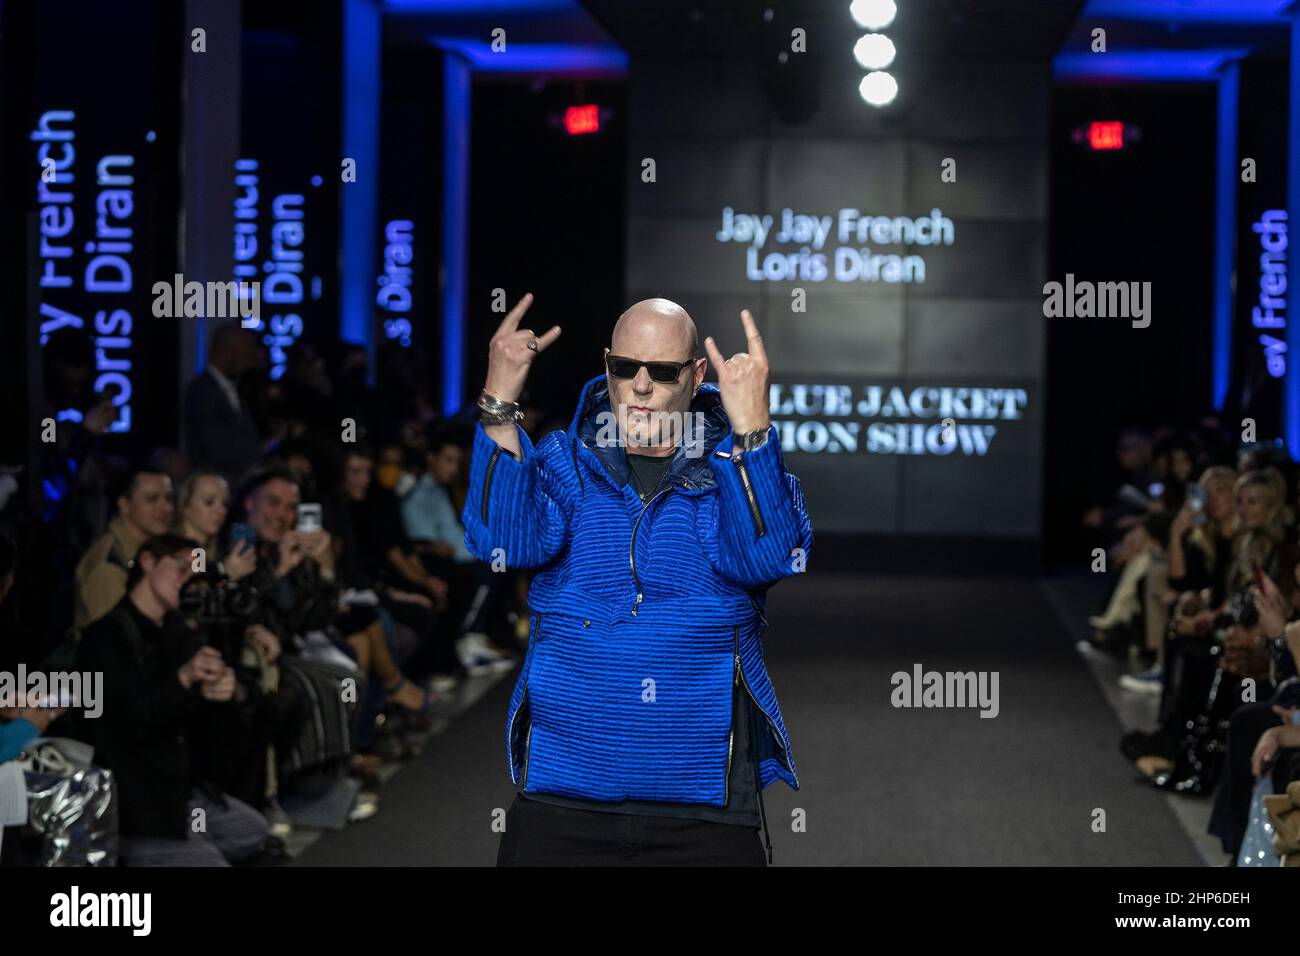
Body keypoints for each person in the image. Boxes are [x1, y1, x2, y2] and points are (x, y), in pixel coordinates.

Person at [467, 295, 813, 866]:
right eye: (626, 368)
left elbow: (771, 557)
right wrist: (501, 401)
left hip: (704, 804)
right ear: (608, 367)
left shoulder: (732, 468)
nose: (641, 386)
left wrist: (752, 429)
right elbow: (502, 543)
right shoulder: (563, 463)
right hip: (563, 793)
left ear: (697, 375)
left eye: (663, 371)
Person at [72, 534, 271, 866]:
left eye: (194, 574)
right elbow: (122, 727)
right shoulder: (106, 638)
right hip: (132, 803)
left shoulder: (176, 629)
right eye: (180, 568)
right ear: (148, 562)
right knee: (211, 862)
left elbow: (203, 719)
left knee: (251, 831)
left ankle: (191, 839)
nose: (187, 581)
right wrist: (183, 680)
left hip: (177, 791)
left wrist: (221, 691)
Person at [74, 467, 174, 633]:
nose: (165, 507)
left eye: (169, 498)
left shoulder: (149, 550)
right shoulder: (109, 566)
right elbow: (109, 640)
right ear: (125, 505)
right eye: (152, 499)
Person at [183, 322, 265, 487]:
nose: (251, 364)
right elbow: (214, 449)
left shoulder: (240, 390)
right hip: (219, 484)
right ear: (227, 353)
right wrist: (257, 459)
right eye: (247, 357)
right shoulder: (202, 391)